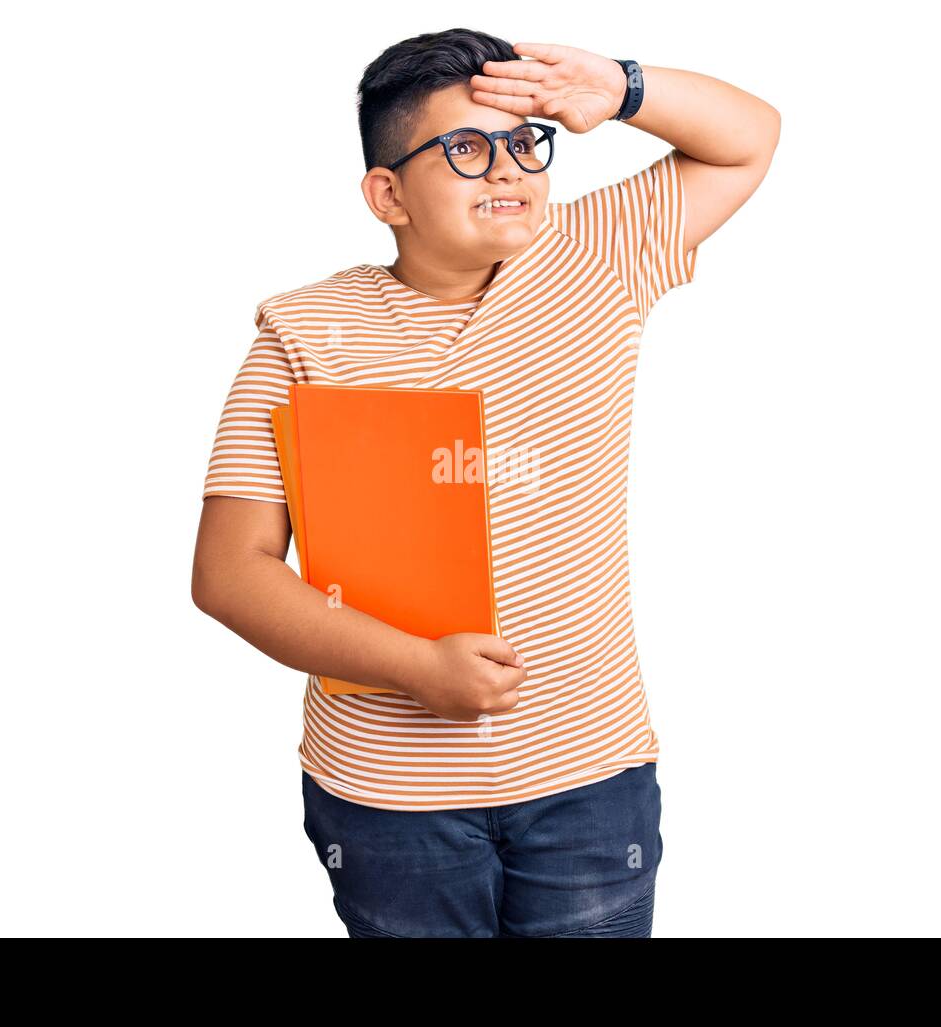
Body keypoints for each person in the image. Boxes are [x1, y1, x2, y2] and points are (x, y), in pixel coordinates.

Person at [191, 27, 780, 938]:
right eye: (465, 149)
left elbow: (749, 137)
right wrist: (418, 669)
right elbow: (230, 572)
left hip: (589, 777)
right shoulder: (305, 331)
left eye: (522, 143)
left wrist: (615, 89)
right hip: (389, 799)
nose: (508, 170)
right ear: (387, 193)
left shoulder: (596, 255)